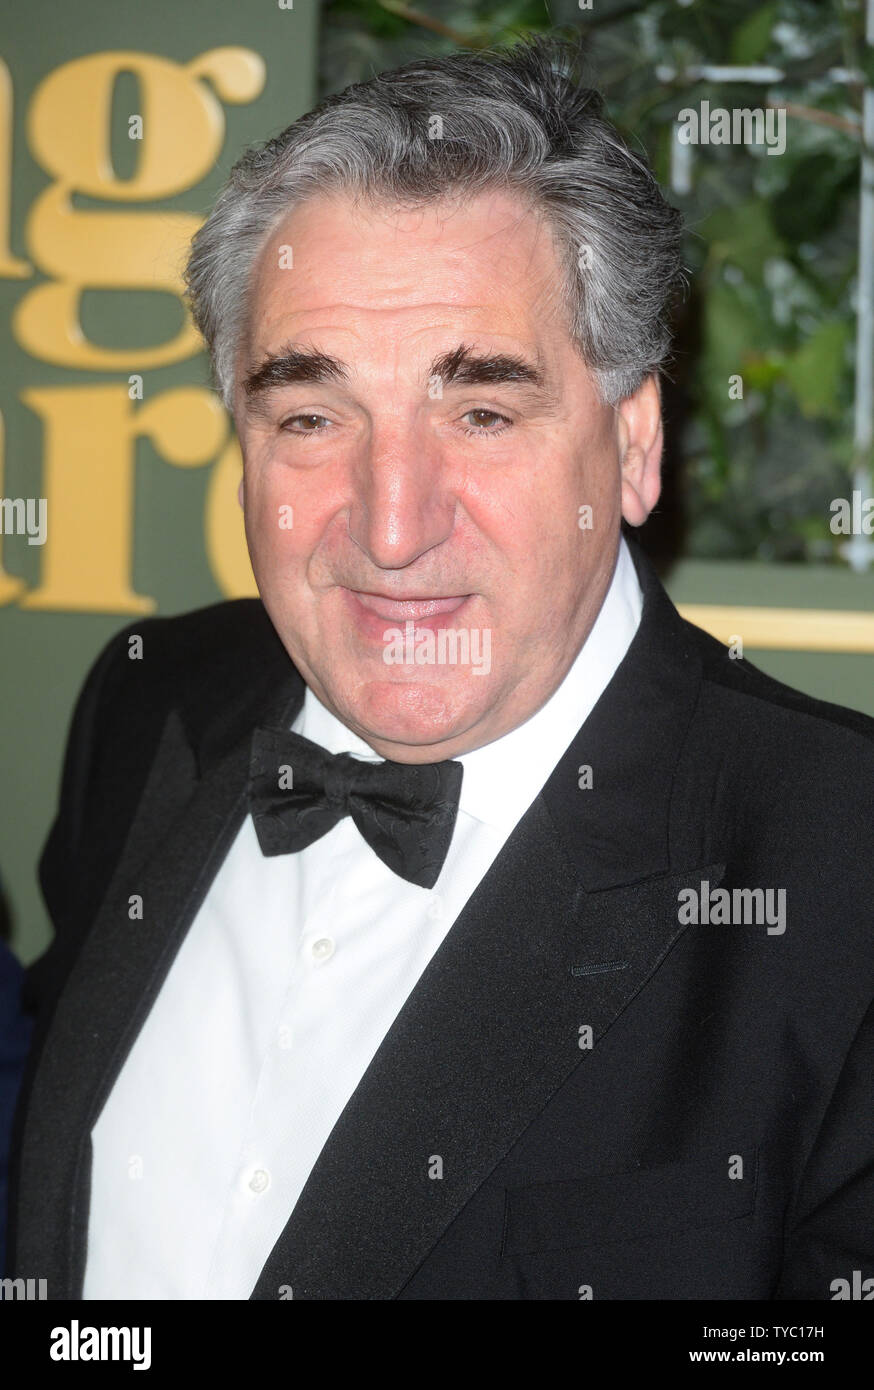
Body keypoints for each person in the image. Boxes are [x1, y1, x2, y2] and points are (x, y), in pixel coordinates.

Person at [7, 36, 874, 1301]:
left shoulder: (840, 870)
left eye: (481, 410)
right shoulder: (152, 705)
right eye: (311, 416)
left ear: (632, 446)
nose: (393, 522)